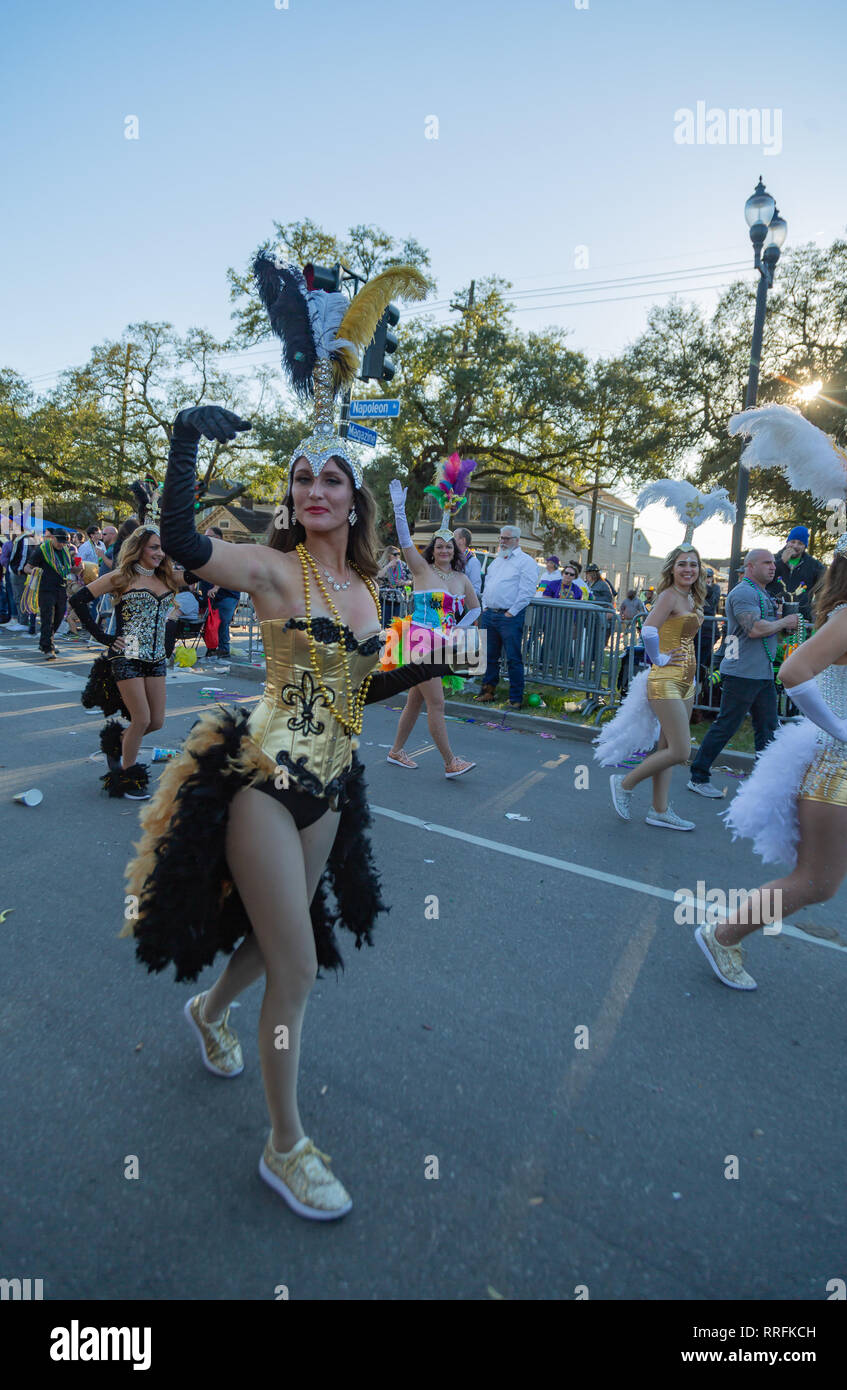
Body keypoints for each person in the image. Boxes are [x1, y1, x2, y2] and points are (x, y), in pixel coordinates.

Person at [121, 251, 446, 1222]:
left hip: (330, 788)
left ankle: (207, 1012)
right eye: (299, 477)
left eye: (330, 478)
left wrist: (436, 652)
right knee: (298, 964)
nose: (312, 489)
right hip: (265, 781)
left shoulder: (366, 587)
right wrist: (183, 441)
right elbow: (181, 545)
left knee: (269, 947)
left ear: (353, 496)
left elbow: (362, 681)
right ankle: (285, 1144)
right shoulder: (269, 571)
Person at [702, 529, 847, 992]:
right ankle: (722, 935)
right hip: (844, 770)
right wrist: (841, 728)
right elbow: (794, 672)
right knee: (817, 883)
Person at [71, 526, 177, 797]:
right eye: (154, 547)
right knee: (141, 719)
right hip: (126, 652)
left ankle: (117, 742)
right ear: (139, 548)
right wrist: (103, 637)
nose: (160, 553)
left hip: (156, 657)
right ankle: (127, 776)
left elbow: (203, 570)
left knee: (156, 721)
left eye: (162, 548)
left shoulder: (167, 577)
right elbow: (79, 599)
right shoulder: (122, 576)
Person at [386, 472, 479, 776]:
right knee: (436, 703)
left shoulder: (461, 579)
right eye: (439, 546)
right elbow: (403, 539)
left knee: (416, 701)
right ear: (432, 549)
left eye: (449, 547)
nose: (444, 550)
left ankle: (396, 751)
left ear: (456, 551)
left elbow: (476, 609)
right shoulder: (421, 570)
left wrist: (460, 629)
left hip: (445, 644)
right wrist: (400, 510)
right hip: (419, 639)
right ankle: (451, 762)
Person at [606, 546, 705, 831]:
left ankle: (659, 810)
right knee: (681, 750)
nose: (689, 569)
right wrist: (659, 658)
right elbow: (649, 629)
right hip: (665, 680)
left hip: (687, 680)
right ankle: (625, 784)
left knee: (667, 746)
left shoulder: (692, 596)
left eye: (694, 564)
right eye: (682, 564)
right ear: (672, 569)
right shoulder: (668, 596)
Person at [687, 549, 798, 798]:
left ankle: (763, 781)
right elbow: (755, 629)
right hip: (742, 673)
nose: (773, 567)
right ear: (750, 567)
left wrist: (783, 624)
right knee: (727, 725)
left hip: (762, 673)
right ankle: (698, 775)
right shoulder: (744, 592)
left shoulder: (762, 593)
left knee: (767, 728)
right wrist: (783, 622)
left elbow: (771, 631)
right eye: (766, 563)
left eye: (773, 563)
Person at [475, 524, 539, 708]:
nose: (503, 541)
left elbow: (527, 590)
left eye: (507, 538)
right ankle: (487, 691)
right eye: (501, 538)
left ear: (517, 541)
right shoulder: (497, 560)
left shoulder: (526, 562)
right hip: (490, 614)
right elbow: (488, 585)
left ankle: (516, 697)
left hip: (509, 616)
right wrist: (485, 606)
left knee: (513, 658)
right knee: (489, 656)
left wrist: (512, 612)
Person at [23, 529, 73, 659]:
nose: (61, 545)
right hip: (46, 589)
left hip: (61, 588)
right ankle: (48, 648)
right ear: (53, 538)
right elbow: (26, 568)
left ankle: (45, 642)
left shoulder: (66, 551)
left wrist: (77, 569)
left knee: (59, 616)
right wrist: (36, 571)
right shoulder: (42, 550)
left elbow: (66, 568)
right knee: (47, 618)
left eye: (64, 543)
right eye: (60, 542)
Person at [766, 525, 825, 621]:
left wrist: (815, 608)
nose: (795, 546)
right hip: (773, 615)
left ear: (805, 546)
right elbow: (761, 579)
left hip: (801, 618)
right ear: (787, 542)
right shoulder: (772, 559)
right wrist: (781, 563)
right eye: (792, 542)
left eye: (800, 543)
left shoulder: (814, 565)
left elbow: (823, 587)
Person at [454, 527, 482, 595]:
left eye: (454, 537)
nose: (450, 539)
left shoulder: (473, 562)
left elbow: (476, 590)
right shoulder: (450, 558)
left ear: (462, 540)